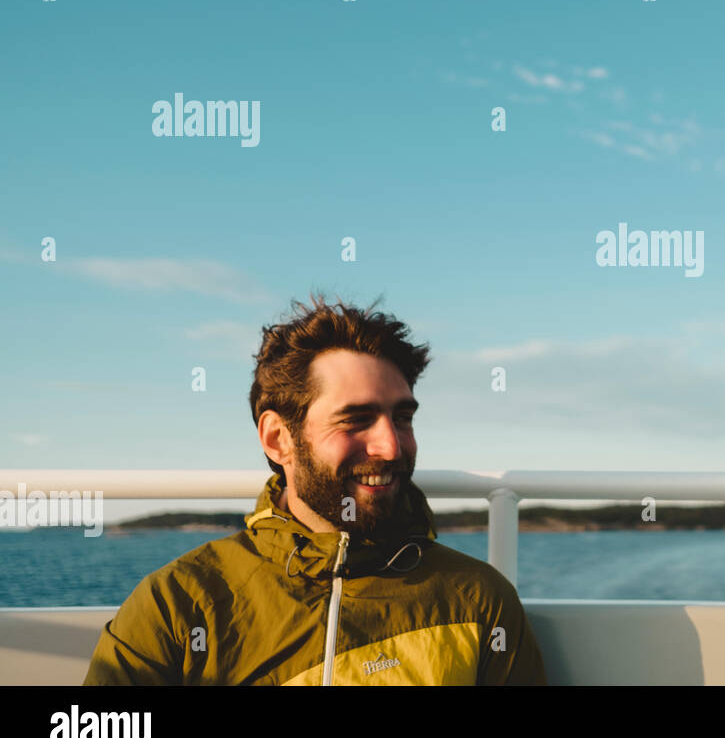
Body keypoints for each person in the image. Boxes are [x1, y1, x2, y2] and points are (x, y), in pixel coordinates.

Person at [84, 293, 546, 685]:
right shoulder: (182, 604)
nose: (390, 446)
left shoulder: (478, 601)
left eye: (402, 418)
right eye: (356, 419)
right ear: (278, 439)